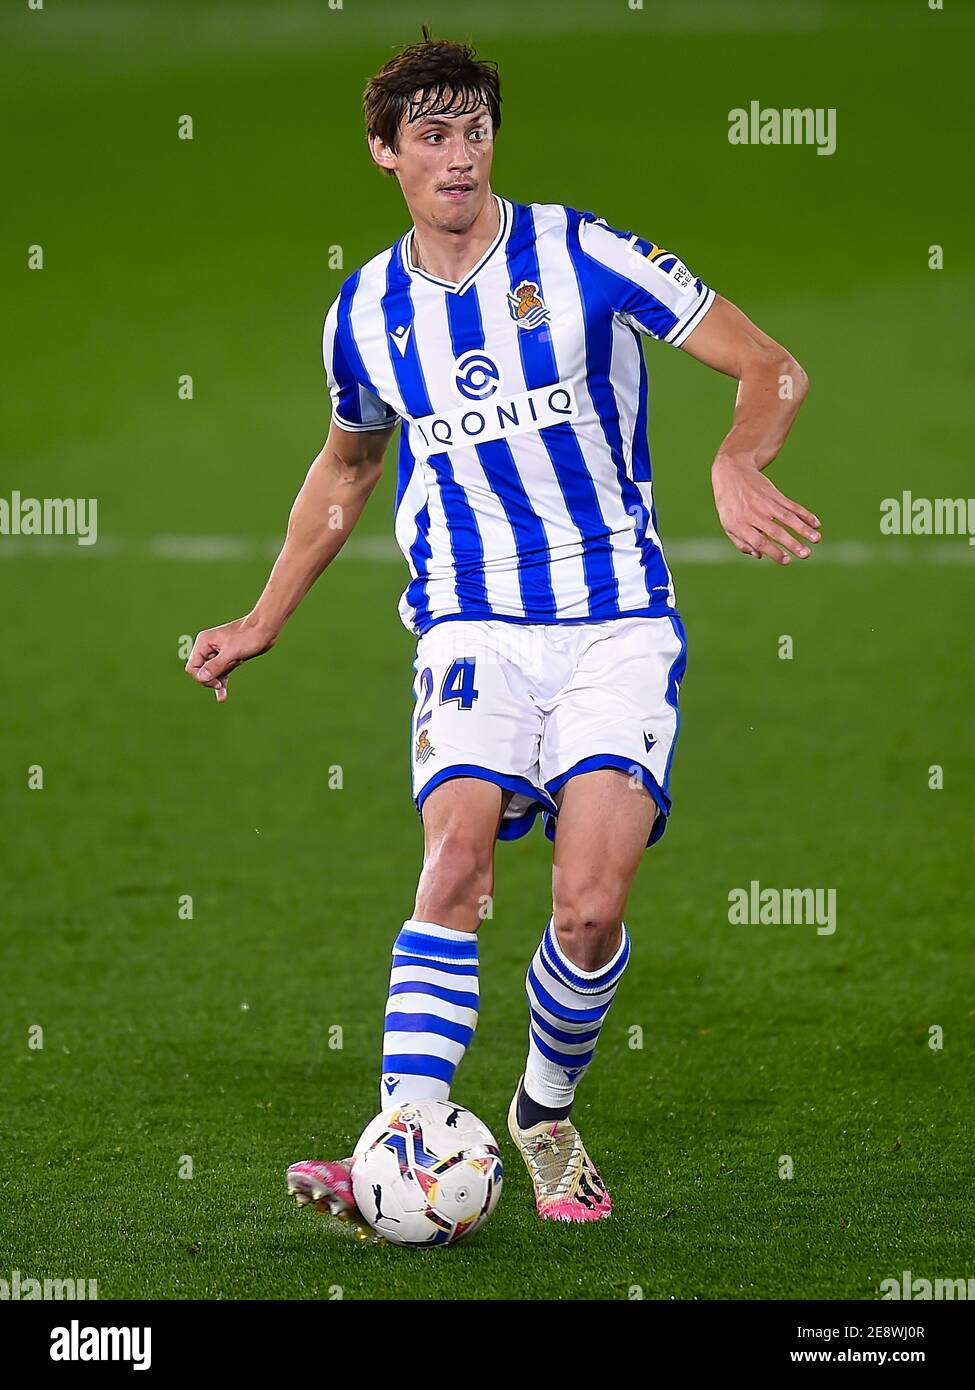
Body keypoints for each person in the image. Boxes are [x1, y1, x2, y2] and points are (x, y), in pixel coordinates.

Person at [186, 30, 819, 1226]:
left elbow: (771, 366)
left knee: (587, 906)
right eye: (431, 136)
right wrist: (265, 614)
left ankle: (540, 1111)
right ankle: (401, 1141)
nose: (460, 157)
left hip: (617, 616)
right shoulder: (365, 311)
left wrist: (739, 457)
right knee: (455, 866)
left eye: (474, 130)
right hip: (469, 620)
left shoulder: (583, 252)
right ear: (386, 154)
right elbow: (347, 465)